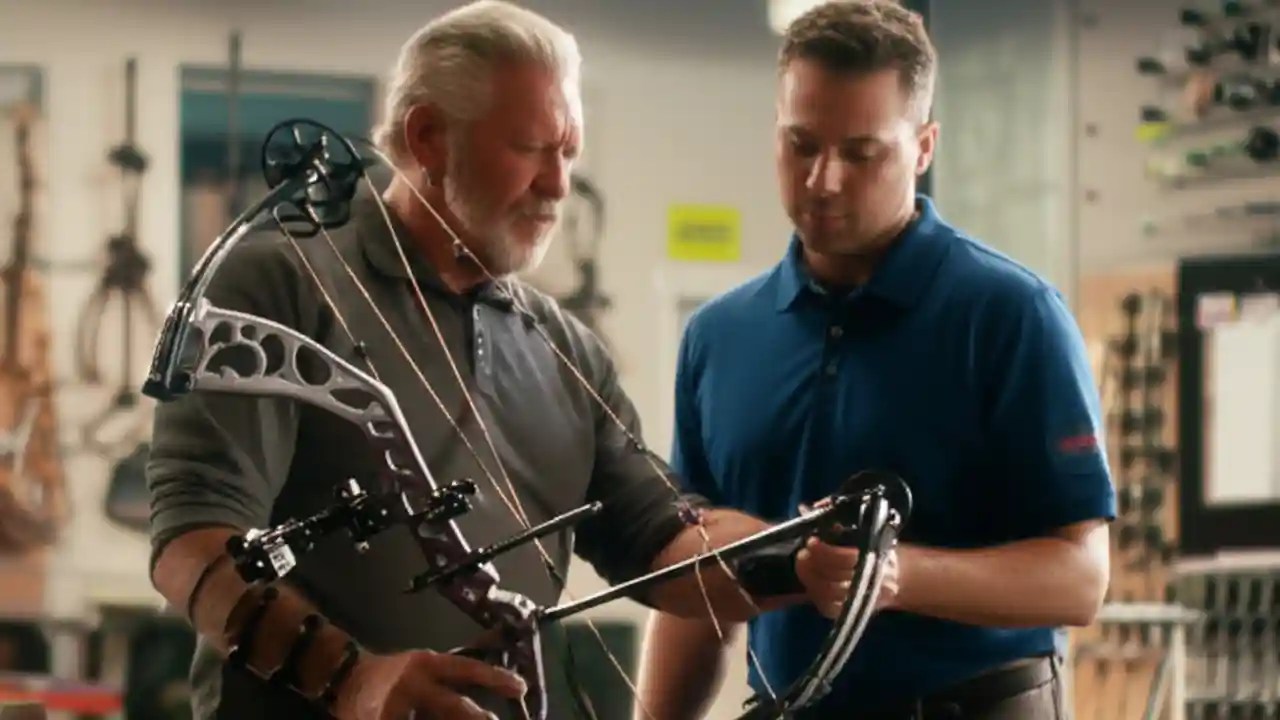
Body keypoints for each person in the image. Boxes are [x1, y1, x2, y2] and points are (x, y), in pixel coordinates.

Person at [144, 3, 856, 720]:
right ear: (428, 136)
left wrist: (797, 557)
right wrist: (353, 681)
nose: (557, 185)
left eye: (569, 152)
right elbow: (190, 546)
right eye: (530, 148)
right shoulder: (283, 284)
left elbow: (666, 544)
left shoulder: (564, 349)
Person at [635, 2, 1115, 719]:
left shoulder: (1011, 316)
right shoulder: (718, 337)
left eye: (861, 153)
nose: (824, 180)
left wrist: (894, 576)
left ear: (923, 148)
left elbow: (1080, 580)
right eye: (801, 144)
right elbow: (697, 591)